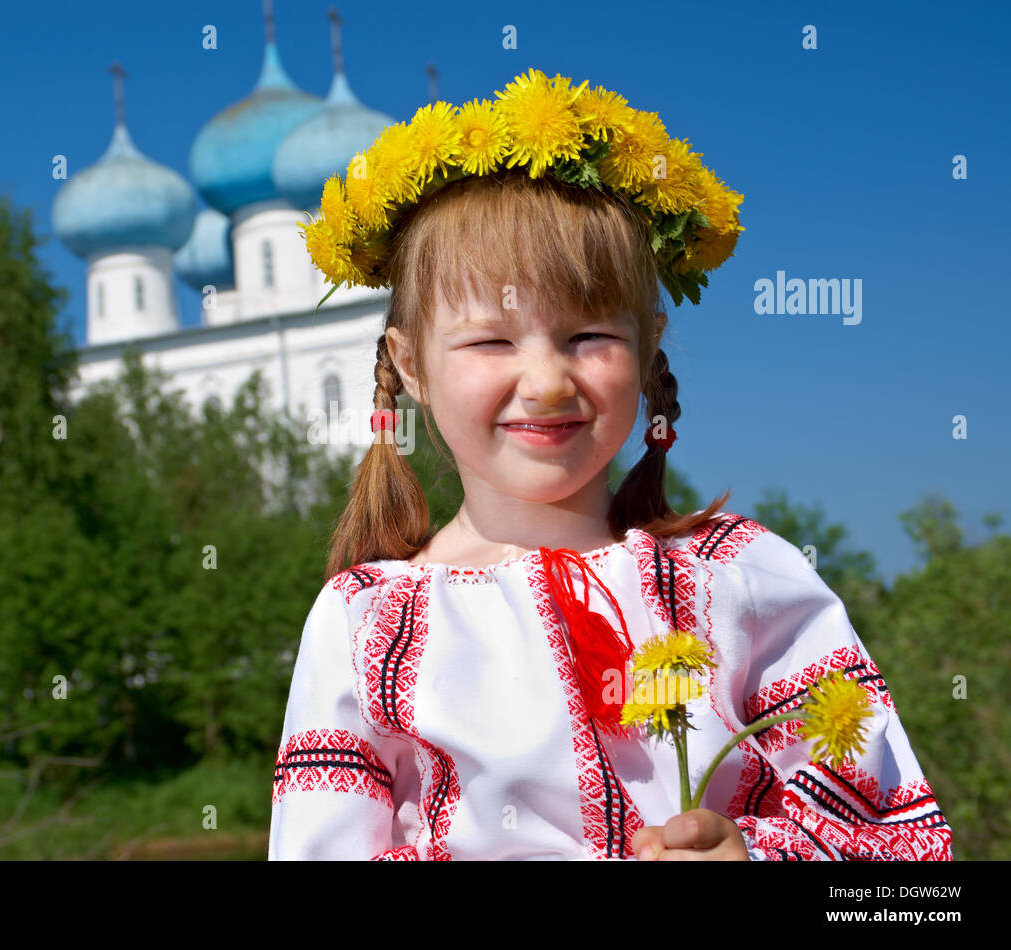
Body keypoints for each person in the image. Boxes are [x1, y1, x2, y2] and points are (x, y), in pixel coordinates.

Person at [268, 69, 953, 861]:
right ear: (410, 365)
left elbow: (903, 859)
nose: (549, 380)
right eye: (492, 340)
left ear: (649, 344)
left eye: (590, 336)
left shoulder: (740, 578)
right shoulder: (366, 623)